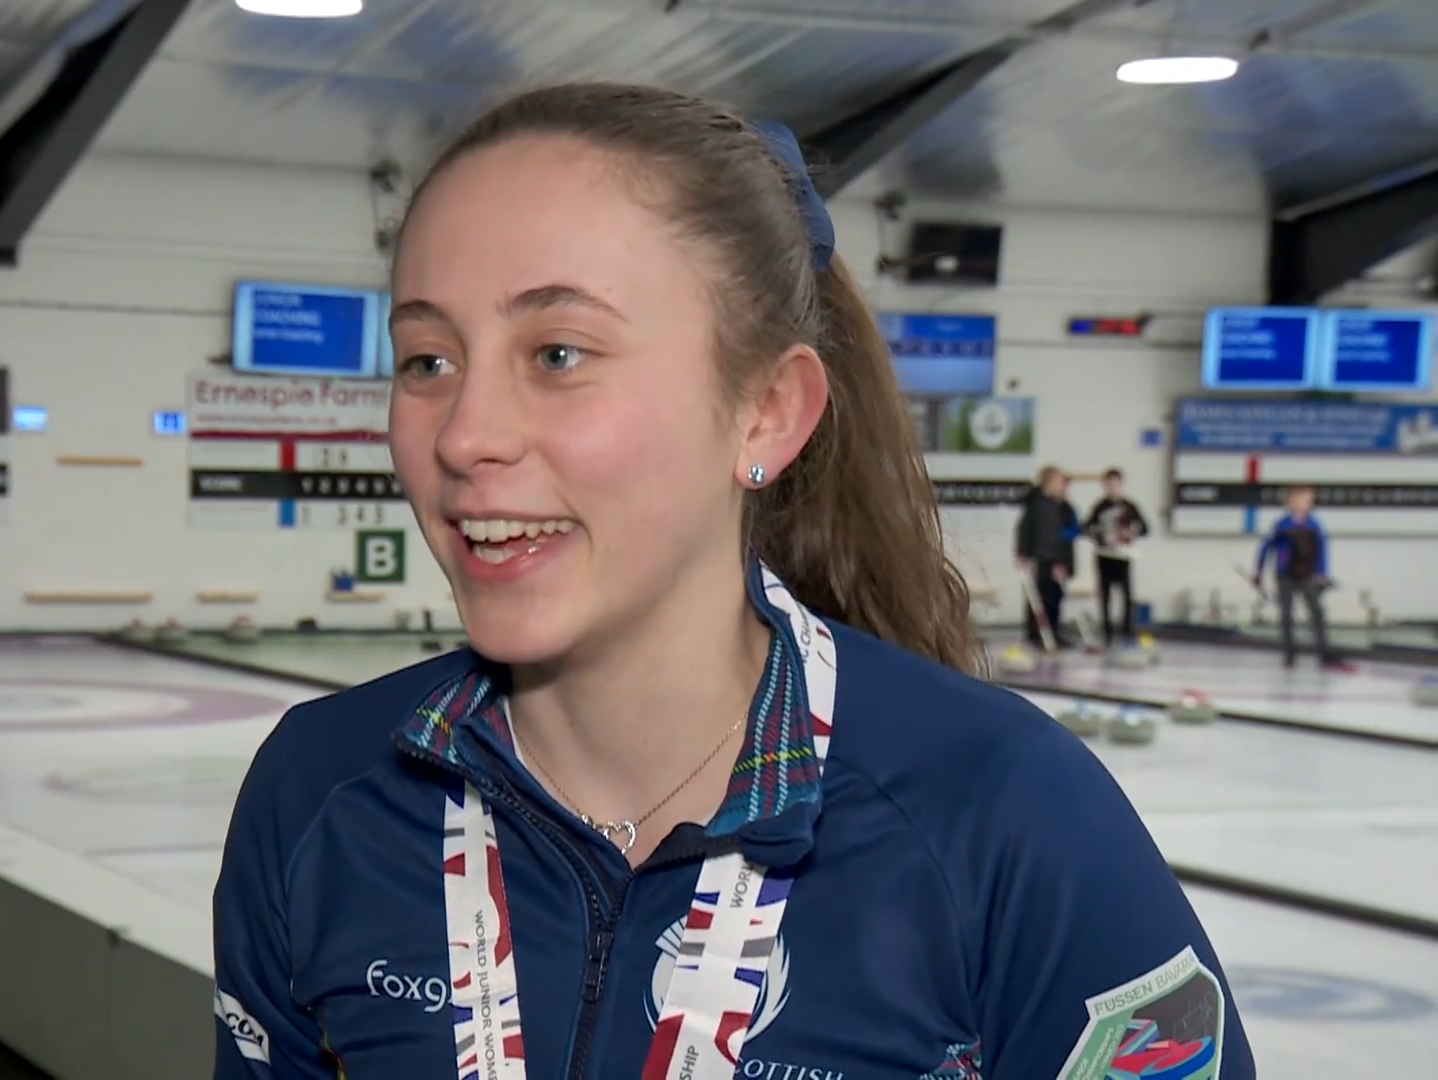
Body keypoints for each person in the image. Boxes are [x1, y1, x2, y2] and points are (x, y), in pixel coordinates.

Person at [213, 83, 1252, 1080]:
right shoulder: (320, 794)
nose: (468, 434)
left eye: (559, 353)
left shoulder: (1006, 815)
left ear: (765, 412)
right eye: (427, 360)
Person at [1254, 485, 1345, 670]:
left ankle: (1323, 651)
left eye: (1309, 501)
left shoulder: (1314, 525)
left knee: (1316, 611)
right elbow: (1266, 547)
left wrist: (1322, 573)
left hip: (1307, 574)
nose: (1306, 504)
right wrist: (1259, 570)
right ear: (1291, 502)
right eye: (1302, 500)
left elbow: (1322, 551)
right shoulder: (1282, 525)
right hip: (1285, 573)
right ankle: (1290, 653)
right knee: (1286, 614)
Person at [1014, 465, 1080, 649]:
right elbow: (1026, 530)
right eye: (1059, 481)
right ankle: (1038, 633)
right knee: (1041, 597)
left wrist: (1061, 561)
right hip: (1044, 558)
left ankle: (1053, 631)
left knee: (1055, 597)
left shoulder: (1060, 506)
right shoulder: (1038, 505)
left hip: (1055, 559)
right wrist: (1022, 552)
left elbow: (1068, 533)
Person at [1085, 467, 1149, 645]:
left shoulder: (1130, 506)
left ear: (1122, 485)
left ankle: (1127, 629)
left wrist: (1130, 532)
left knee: (1127, 594)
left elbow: (1145, 528)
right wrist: (1103, 537)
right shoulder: (1099, 507)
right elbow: (1086, 528)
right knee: (1104, 595)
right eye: (1109, 484)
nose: (1112, 488)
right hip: (1104, 555)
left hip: (1123, 556)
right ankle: (1107, 631)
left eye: (1116, 484)